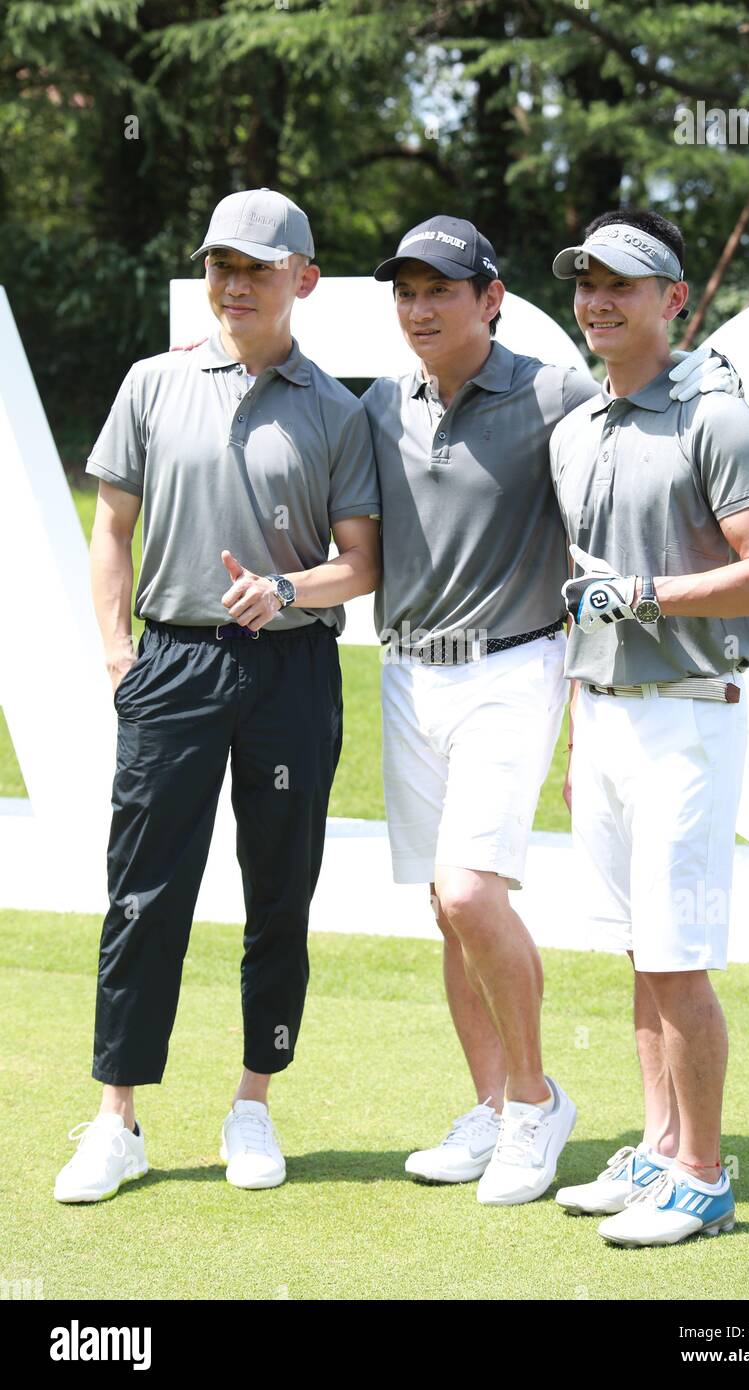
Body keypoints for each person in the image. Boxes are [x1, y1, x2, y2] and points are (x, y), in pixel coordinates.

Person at [362, 214, 738, 1206]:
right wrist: (212, 358)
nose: (419, 307)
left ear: (490, 297)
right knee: (448, 914)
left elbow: (652, 411)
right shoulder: (376, 401)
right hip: (407, 672)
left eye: (441, 289)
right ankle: (491, 1105)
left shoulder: (554, 393)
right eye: (405, 290)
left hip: (513, 663)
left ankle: (535, 1102)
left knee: (468, 890)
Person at [54, 188, 381, 1203]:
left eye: (256, 268)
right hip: (173, 667)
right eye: (219, 267)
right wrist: (117, 655)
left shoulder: (336, 409)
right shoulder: (152, 383)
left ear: (304, 280)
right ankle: (117, 1118)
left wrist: (288, 587)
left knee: (278, 890)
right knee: (144, 892)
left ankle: (253, 1102)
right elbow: (113, 526)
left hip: (288, 670)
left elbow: (360, 563)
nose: (233, 285)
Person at [548, 209, 749, 1244]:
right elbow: (578, 595)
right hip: (603, 719)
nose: (597, 299)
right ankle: (656, 1148)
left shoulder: (716, 418)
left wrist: (648, 594)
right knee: (639, 951)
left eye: (622, 283)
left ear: (674, 299)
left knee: (678, 955)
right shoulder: (574, 428)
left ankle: (701, 1175)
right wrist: (573, 728)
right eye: (584, 282)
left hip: (688, 716)